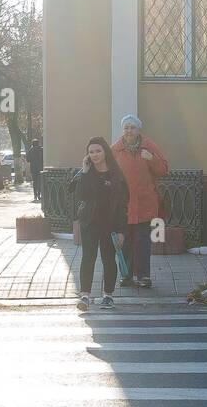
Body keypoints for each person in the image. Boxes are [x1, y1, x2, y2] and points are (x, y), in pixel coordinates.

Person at [67, 137, 128, 310]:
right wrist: (85, 172)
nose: (94, 155)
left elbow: (123, 204)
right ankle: (85, 296)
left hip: (111, 225)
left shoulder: (116, 173)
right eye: (91, 152)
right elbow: (80, 196)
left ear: (105, 152)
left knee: (109, 259)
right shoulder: (86, 173)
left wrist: (122, 230)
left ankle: (108, 295)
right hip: (90, 223)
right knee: (88, 258)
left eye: (98, 151)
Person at [112, 114, 168, 289]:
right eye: (126, 128)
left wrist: (151, 159)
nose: (129, 131)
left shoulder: (148, 145)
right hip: (124, 205)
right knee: (125, 242)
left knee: (143, 242)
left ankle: (143, 276)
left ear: (138, 130)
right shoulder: (115, 149)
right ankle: (126, 275)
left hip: (145, 204)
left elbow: (164, 169)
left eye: (132, 127)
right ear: (123, 130)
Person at [26, 136, 44, 203]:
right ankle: (39, 195)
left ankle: (35, 195)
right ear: (38, 143)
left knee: (35, 182)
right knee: (40, 182)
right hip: (40, 168)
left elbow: (27, 160)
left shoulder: (31, 150)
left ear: (32, 144)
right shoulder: (42, 149)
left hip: (33, 169)